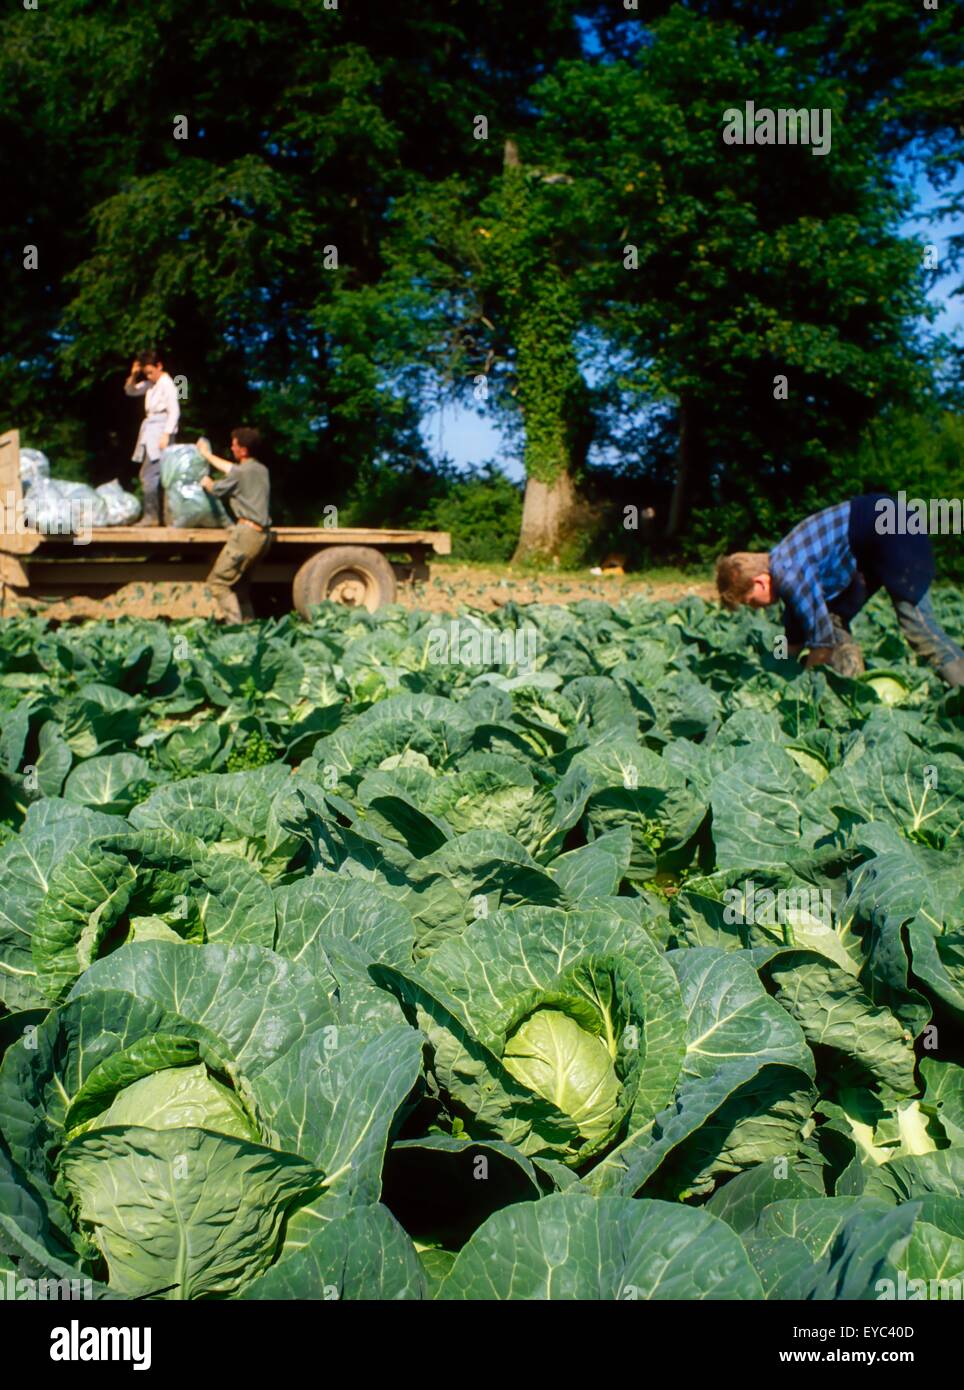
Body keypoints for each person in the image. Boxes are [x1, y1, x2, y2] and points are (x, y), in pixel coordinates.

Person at [715, 492, 964, 686]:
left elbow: (821, 643)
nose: (754, 608)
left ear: (760, 582)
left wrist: (803, 688)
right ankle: (851, 682)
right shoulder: (781, 562)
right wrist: (775, 666)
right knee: (833, 617)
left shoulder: (790, 574)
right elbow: (791, 634)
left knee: (919, 627)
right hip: (874, 538)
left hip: (894, 528)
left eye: (749, 601)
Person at [197, 427, 272, 623]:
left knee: (218, 583)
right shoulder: (261, 470)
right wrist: (207, 455)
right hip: (263, 537)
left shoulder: (240, 474)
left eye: (234, 445)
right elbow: (232, 469)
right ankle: (249, 627)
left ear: (243, 450)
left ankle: (234, 628)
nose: (231, 448)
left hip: (246, 535)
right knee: (240, 586)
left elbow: (217, 489)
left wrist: (207, 482)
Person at [124, 351, 180, 526]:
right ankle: (160, 516)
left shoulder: (167, 384)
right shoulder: (151, 384)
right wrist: (134, 375)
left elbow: (174, 411)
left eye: (150, 372)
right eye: (146, 373)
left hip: (161, 429)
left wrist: (166, 434)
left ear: (159, 366)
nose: (149, 376)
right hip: (151, 428)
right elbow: (131, 391)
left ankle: (152, 516)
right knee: (156, 474)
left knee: (149, 473)